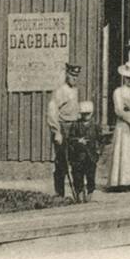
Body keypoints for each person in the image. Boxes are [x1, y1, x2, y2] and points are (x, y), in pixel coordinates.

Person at [45, 62, 83, 198]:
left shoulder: (75, 90)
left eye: (77, 76)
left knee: (77, 161)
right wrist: (56, 132)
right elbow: (52, 111)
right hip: (63, 128)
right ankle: (59, 194)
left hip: (74, 128)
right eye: (72, 75)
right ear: (67, 75)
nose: (74, 78)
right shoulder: (60, 91)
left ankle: (78, 193)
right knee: (61, 161)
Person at [67, 100, 101, 202]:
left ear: (91, 114)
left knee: (90, 176)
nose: (85, 116)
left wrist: (99, 150)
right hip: (78, 156)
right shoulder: (76, 125)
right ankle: (79, 195)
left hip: (90, 156)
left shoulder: (95, 126)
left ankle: (90, 195)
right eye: (83, 114)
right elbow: (70, 139)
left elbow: (101, 139)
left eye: (88, 114)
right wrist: (78, 141)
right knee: (78, 176)